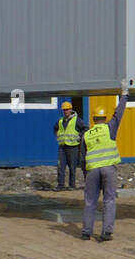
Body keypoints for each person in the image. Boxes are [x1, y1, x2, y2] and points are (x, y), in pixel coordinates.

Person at [81, 94, 128, 242]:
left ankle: (86, 232)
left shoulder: (86, 134)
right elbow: (119, 113)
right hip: (108, 169)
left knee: (90, 201)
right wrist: (124, 95)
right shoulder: (110, 128)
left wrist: (86, 174)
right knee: (109, 200)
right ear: (105, 117)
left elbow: (82, 157)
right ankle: (106, 232)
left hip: (92, 171)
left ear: (93, 119)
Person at [54, 101, 87, 190]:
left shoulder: (77, 120)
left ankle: (71, 185)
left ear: (71, 109)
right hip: (62, 147)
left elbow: (85, 128)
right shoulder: (61, 121)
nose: (65, 111)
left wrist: (79, 137)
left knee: (72, 167)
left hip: (73, 147)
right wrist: (57, 135)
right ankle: (61, 185)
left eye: (67, 109)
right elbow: (55, 128)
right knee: (61, 166)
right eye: (64, 110)